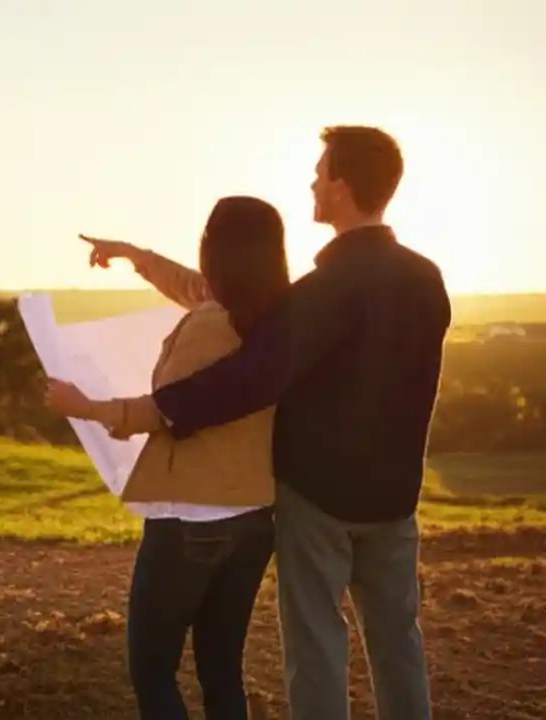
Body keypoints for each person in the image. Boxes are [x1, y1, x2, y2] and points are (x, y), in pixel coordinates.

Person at [69, 125, 450, 720]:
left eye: (321, 173)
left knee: (317, 642)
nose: (312, 184)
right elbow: (217, 295)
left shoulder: (325, 290)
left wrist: (156, 409)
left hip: (318, 498)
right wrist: (140, 258)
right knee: (398, 639)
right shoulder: (426, 278)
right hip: (397, 499)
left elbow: (249, 377)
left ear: (342, 187)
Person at [45, 195, 290, 719]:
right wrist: (136, 255)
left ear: (214, 247)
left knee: (153, 671)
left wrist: (86, 407)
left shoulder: (211, 325)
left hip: (189, 521)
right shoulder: (276, 316)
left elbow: (171, 407)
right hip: (253, 516)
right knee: (222, 671)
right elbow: (195, 289)